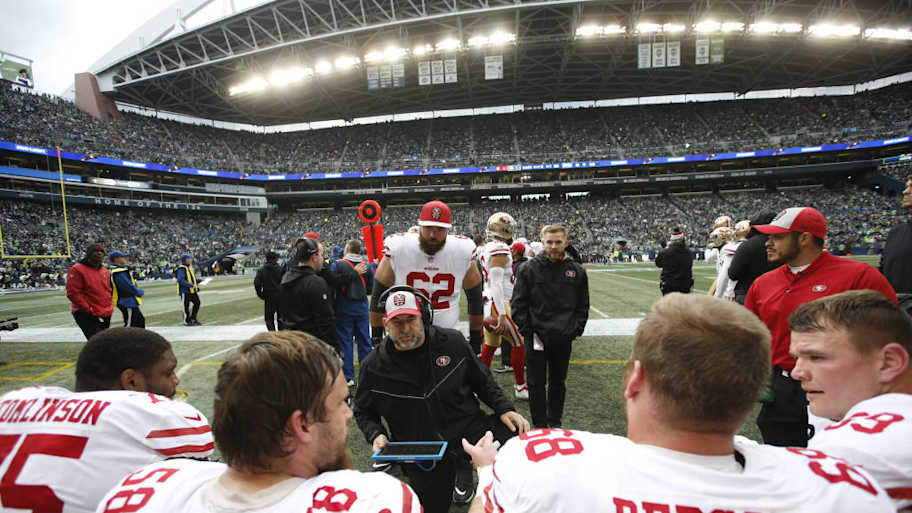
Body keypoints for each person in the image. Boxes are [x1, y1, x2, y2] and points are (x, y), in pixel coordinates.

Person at [461, 294, 895, 513]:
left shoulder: (537, 463)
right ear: (752, 391)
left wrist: (485, 473)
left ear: (635, 381)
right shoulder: (848, 491)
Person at [96, 331, 421, 513]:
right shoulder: (372, 499)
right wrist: (477, 482)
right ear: (301, 425)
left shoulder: (142, 488)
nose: (349, 413)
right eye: (341, 403)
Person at [0, 328, 213, 513]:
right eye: (168, 373)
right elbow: (202, 441)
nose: (176, 380)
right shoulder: (152, 416)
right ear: (131, 381)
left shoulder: (14, 402)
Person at [354, 288, 529, 512]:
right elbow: (363, 411)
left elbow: (482, 380)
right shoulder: (373, 366)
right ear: (386, 324)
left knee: (519, 454)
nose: (406, 329)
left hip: (469, 429)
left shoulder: (452, 342)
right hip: (420, 446)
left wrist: (504, 408)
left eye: (411, 319)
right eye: (397, 322)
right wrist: (376, 433)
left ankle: (466, 471)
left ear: (424, 317)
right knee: (430, 507)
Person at [745, 206, 898, 447]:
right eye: (769, 236)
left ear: (804, 238)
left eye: (778, 236)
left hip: (841, 386)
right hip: (783, 387)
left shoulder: (859, 276)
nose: (768, 242)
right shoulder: (763, 283)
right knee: (784, 461)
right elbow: (751, 336)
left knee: (844, 463)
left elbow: (893, 334)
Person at [789, 290, 912, 511]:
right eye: (796, 358)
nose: (797, 372)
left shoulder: (853, 447)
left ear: (889, 362)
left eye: (816, 357)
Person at [370, 200, 485, 354]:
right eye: (428, 228)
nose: (433, 235)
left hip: (447, 334)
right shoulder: (399, 248)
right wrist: (376, 338)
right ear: (419, 226)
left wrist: (476, 340)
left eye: (439, 229)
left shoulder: (463, 250)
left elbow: (475, 299)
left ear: (448, 230)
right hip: (407, 335)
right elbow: (378, 297)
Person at [512, 224, 589, 429]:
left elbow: (583, 306)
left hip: (563, 338)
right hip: (536, 338)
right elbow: (518, 305)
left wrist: (574, 330)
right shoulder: (528, 268)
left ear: (566, 242)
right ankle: (540, 426)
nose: (554, 246)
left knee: (558, 383)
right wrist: (530, 332)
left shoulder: (577, 270)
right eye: (549, 242)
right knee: (536, 384)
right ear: (542, 241)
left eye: (558, 242)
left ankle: (554, 424)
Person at [478, 212, 528, 399]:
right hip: (500, 303)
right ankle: (521, 387)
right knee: (519, 343)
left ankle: (479, 385)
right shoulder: (500, 248)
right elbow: (497, 282)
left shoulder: (487, 247)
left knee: (490, 346)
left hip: (490, 302)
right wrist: (501, 313)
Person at [280, 237, 340, 354]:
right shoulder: (315, 282)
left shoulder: (286, 278)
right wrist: (334, 351)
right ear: (314, 257)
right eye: (321, 255)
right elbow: (326, 322)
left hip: (292, 344)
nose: (323, 259)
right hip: (311, 346)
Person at [331, 240, 374, 385]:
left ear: (347, 249)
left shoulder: (338, 265)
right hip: (361, 305)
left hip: (343, 305)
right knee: (364, 340)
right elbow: (370, 288)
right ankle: (366, 374)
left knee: (345, 341)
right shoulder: (366, 266)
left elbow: (333, 285)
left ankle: (348, 376)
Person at [727, 211, 779, 304]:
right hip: (777, 295)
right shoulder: (785, 243)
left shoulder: (748, 245)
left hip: (749, 294)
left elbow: (733, 274)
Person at [66, 242, 113, 340]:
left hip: (104, 311)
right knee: (98, 342)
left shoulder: (104, 270)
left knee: (104, 341)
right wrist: (88, 309)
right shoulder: (77, 269)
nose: (99, 253)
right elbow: (73, 293)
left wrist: (109, 307)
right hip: (87, 313)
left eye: (101, 251)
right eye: (96, 251)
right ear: (89, 254)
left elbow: (108, 289)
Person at [879, 174, 912, 313]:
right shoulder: (896, 232)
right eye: (906, 187)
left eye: (911, 187)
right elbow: (884, 272)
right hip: (897, 314)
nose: (905, 191)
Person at [715, 220, 750, 300]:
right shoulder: (758, 246)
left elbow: (724, 275)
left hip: (734, 292)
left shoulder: (732, 248)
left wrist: (717, 295)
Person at [109, 250, 145, 327]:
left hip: (129, 301)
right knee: (131, 324)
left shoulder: (118, 271)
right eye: (123, 257)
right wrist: (139, 292)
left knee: (139, 321)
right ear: (116, 259)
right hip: (126, 301)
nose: (125, 259)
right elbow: (127, 286)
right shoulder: (118, 272)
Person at [654, 228, 693, 295]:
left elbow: (658, 264)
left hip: (669, 285)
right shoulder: (689, 252)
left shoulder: (665, 252)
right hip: (685, 285)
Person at [254, 250, 283, 331]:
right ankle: (281, 336)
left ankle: (273, 335)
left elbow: (257, 283)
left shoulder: (262, 270)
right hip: (281, 295)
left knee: (269, 319)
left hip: (269, 295)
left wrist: (260, 294)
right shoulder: (281, 269)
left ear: (266, 259)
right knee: (281, 318)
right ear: (276, 259)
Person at [176, 253, 201, 326]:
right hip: (185, 291)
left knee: (197, 302)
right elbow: (180, 280)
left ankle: (193, 318)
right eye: (189, 258)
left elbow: (192, 278)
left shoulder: (189, 267)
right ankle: (186, 321)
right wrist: (191, 285)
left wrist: (200, 281)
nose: (190, 260)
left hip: (192, 290)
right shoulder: (182, 268)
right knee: (186, 306)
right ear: (186, 260)